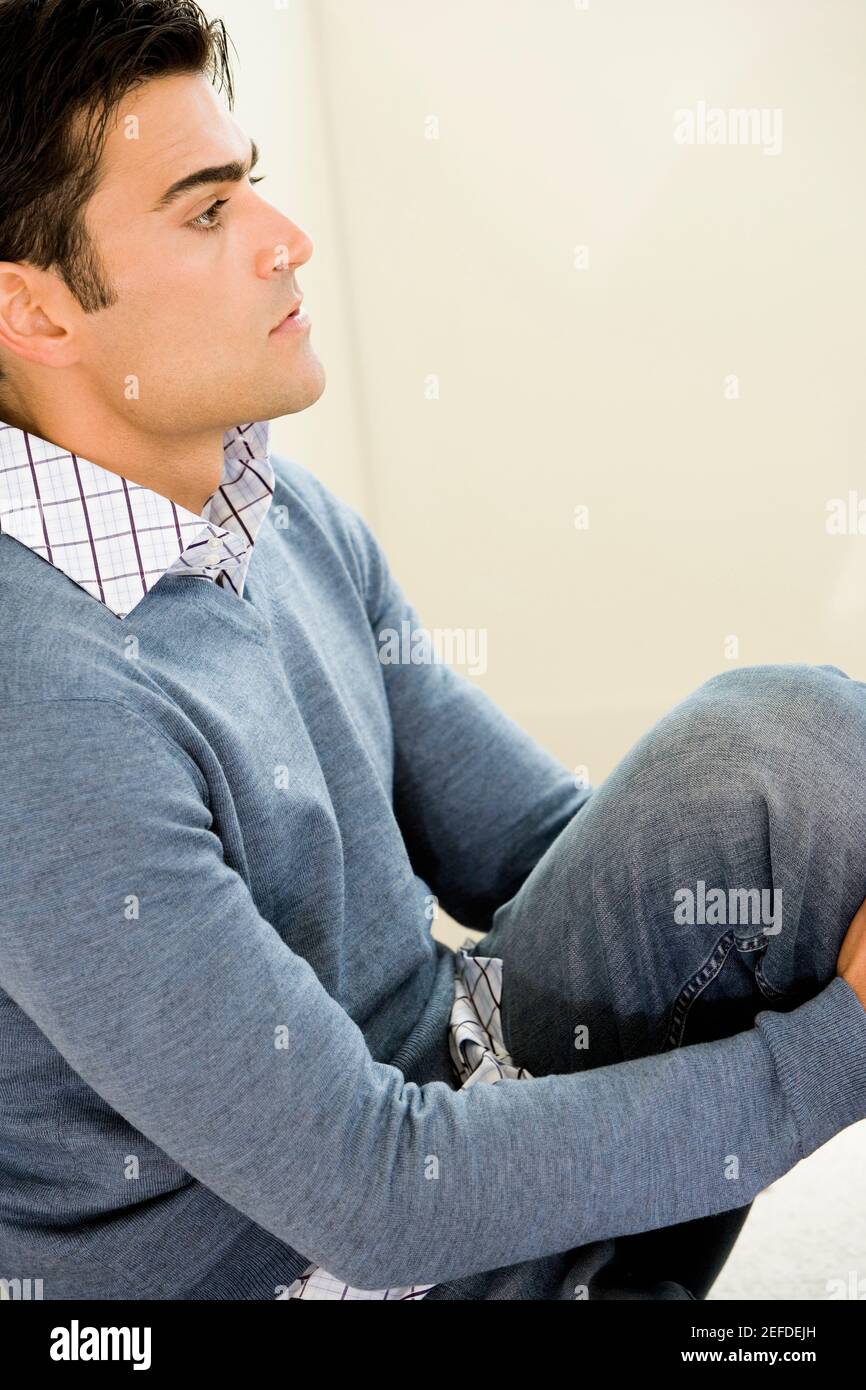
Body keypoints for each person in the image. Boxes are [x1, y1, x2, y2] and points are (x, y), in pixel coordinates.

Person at [1, 0, 865, 1302]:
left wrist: (770, 895)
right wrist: (836, 1050)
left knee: (780, 754)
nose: (286, 243)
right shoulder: (45, 712)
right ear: (37, 311)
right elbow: (375, 1197)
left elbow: (538, 847)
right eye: (206, 210)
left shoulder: (271, 511)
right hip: (303, 1261)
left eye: (258, 189)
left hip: (450, 1087)